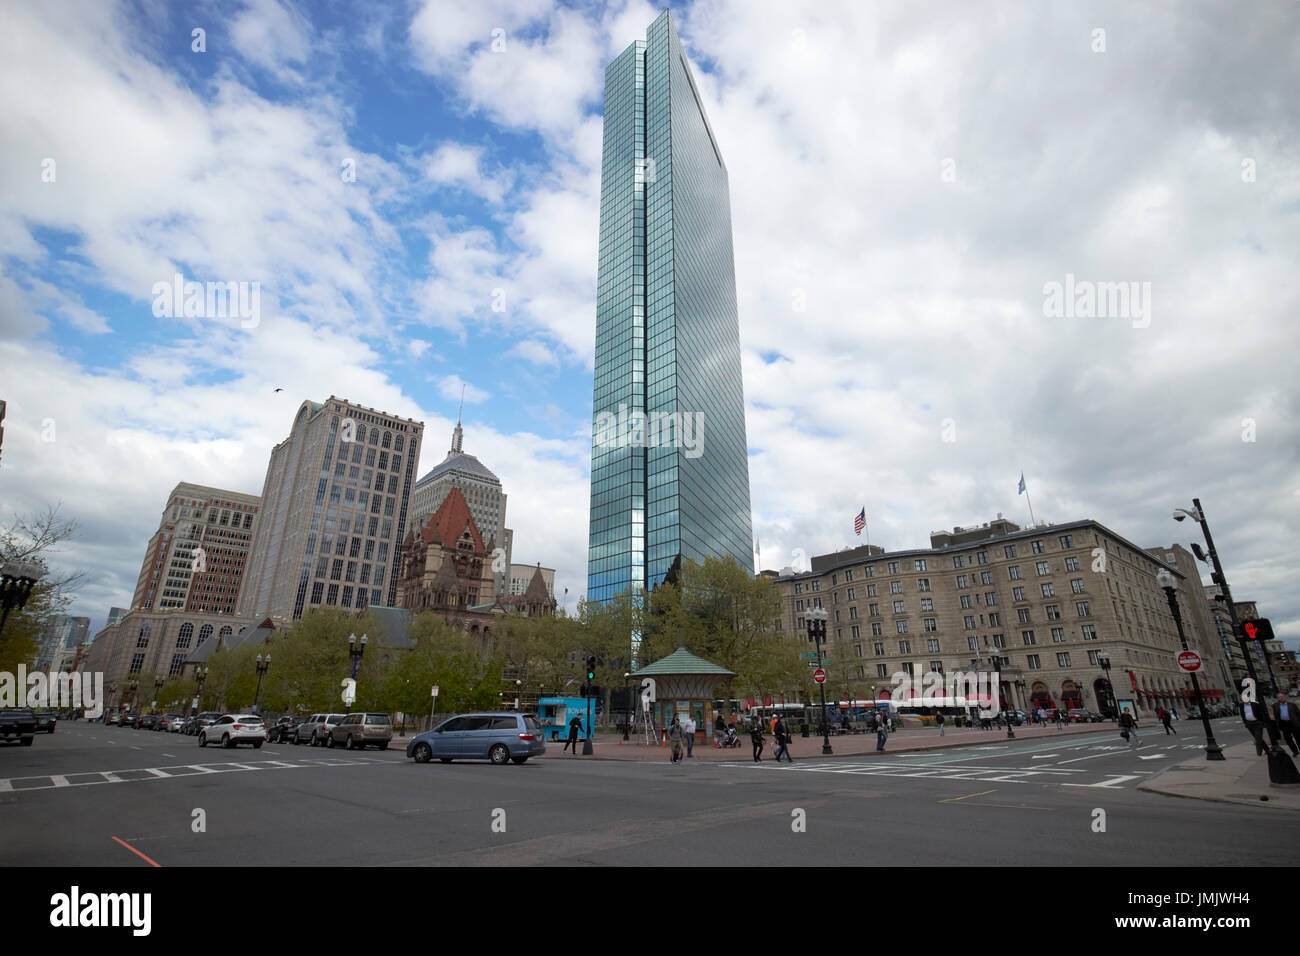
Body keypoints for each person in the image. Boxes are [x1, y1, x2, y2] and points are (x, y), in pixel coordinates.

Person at [1272, 693, 1300, 757]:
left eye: (1282, 697)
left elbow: (1298, 714)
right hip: (1283, 724)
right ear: (1278, 699)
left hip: (1293, 723)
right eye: (1279, 697)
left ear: (1285, 697)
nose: (1281, 698)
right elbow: (1274, 714)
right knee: (1288, 739)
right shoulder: (1275, 705)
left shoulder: (1292, 705)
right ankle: (1295, 751)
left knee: (1298, 737)